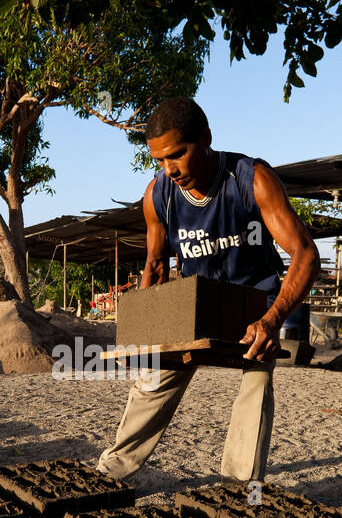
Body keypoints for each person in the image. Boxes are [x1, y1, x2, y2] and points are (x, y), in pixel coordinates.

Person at [96, 97, 320, 483]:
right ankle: (109, 474)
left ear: (205, 139)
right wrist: (142, 339)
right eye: (160, 160)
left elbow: (305, 254)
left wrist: (272, 320)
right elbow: (154, 265)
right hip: (195, 305)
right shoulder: (159, 194)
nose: (170, 169)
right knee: (152, 377)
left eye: (177, 155)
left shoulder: (251, 179)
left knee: (256, 382)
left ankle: (236, 489)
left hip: (253, 307)